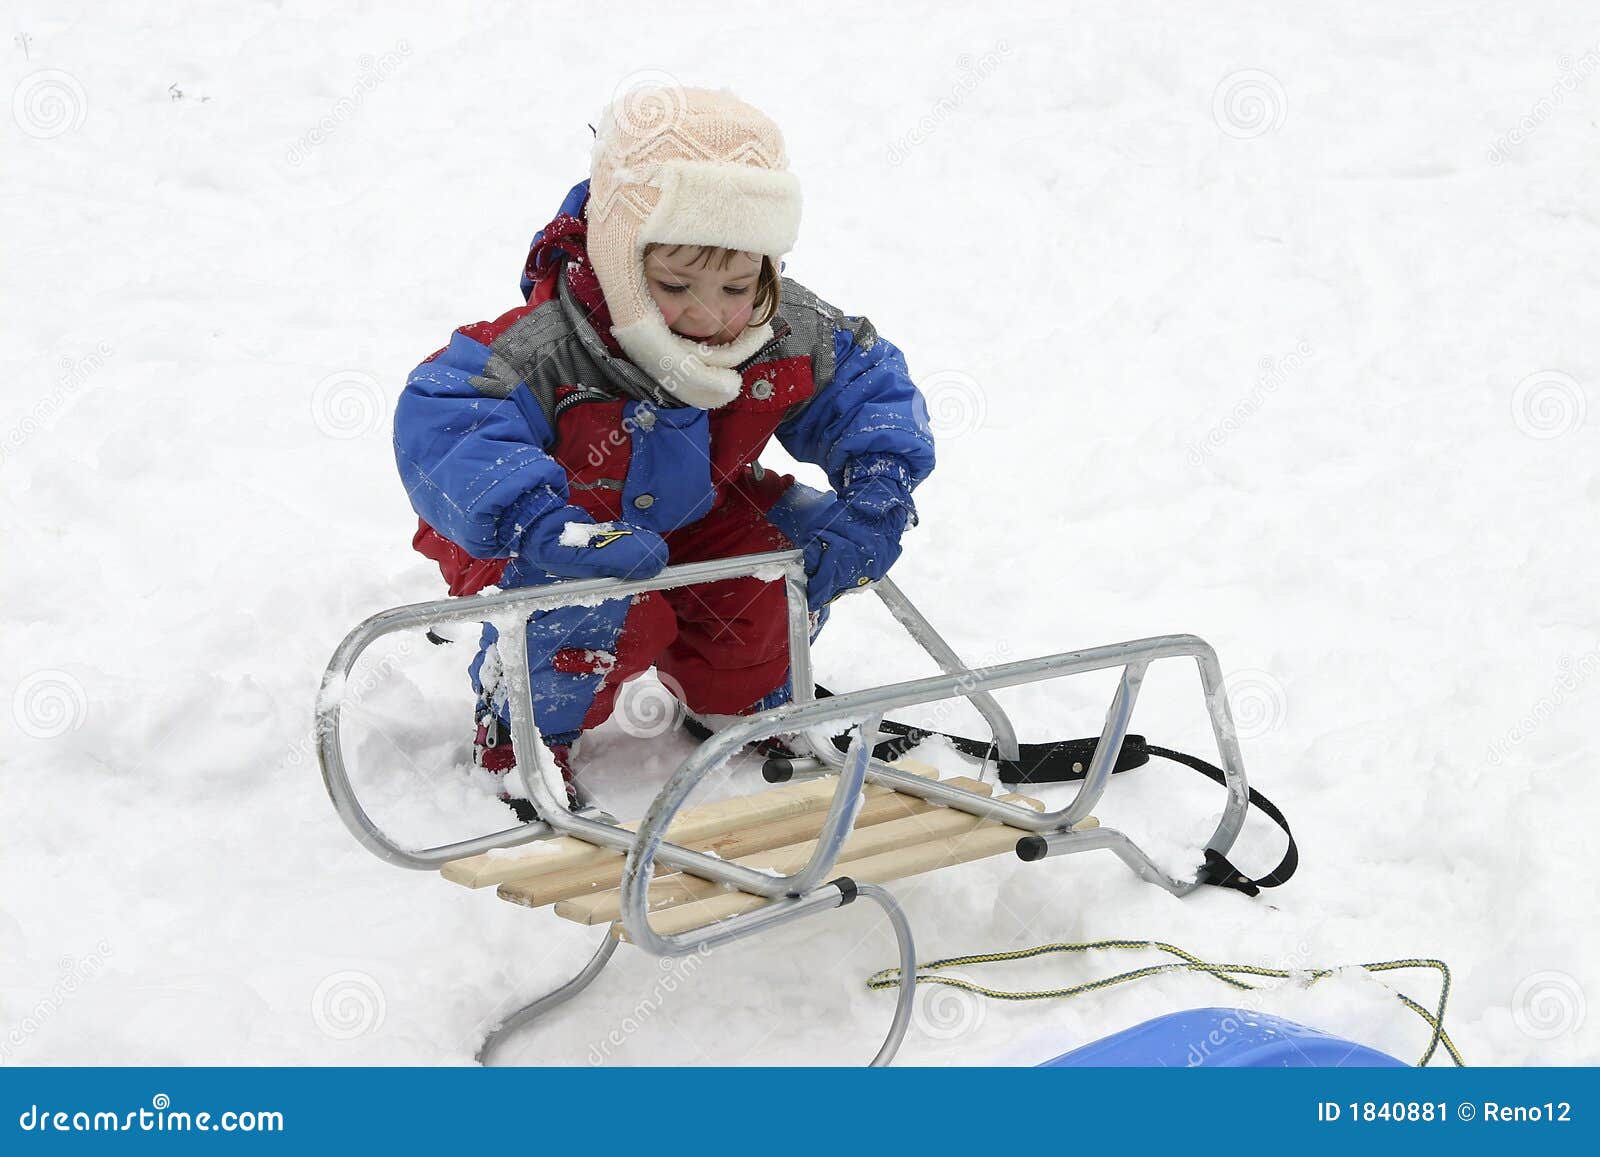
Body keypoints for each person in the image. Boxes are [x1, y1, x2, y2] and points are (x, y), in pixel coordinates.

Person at [393, 86, 935, 813]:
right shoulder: (551, 343)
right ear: (621, 257)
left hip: (695, 513)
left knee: (782, 564)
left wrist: (880, 487)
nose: (708, 313)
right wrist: (532, 520)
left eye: (737, 286)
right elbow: (446, 414)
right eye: (676, 284)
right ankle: (522, 731)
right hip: (547, 531)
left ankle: (748, 700)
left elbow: (866, 384)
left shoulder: (782, 328)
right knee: (600, 606)